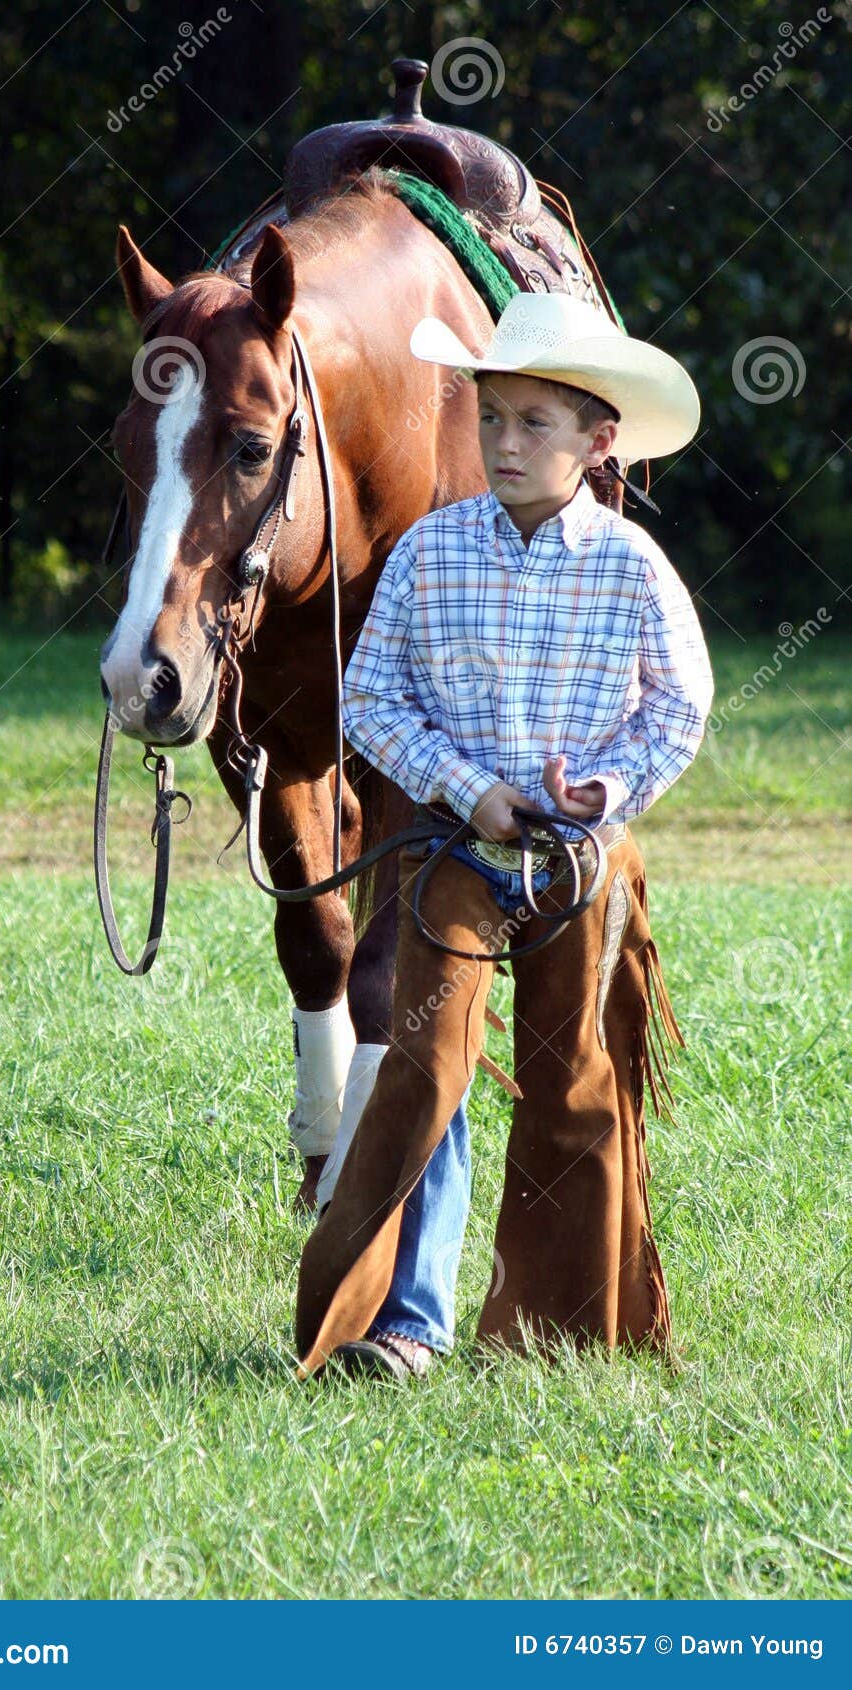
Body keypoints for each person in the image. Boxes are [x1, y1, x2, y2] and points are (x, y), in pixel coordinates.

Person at [295, 290, 713, 1382]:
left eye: (535, 422)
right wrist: (467, 789)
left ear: (596, 440)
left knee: (574, 1079)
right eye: (490, 419)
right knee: (426, 1066)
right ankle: (401, 1321)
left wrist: (607, 789)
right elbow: (371, 699)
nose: (506, 442)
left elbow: (677, 706)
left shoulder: (629, 567)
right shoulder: (431, 554)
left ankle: (559, 1326)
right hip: (456, 850)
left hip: (583, 862)